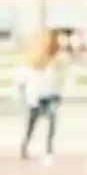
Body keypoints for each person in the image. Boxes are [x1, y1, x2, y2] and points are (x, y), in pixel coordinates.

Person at [15, 30, 68, 165]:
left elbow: (55, 80)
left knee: (52, 121)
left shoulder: (52, 63)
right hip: (35, 97)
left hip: (48, 96)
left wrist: (57, 94)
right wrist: (23, 95)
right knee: (32, 124)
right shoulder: (29, 64)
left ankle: (48, 149)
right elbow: (21, 81)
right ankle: (25, 145)